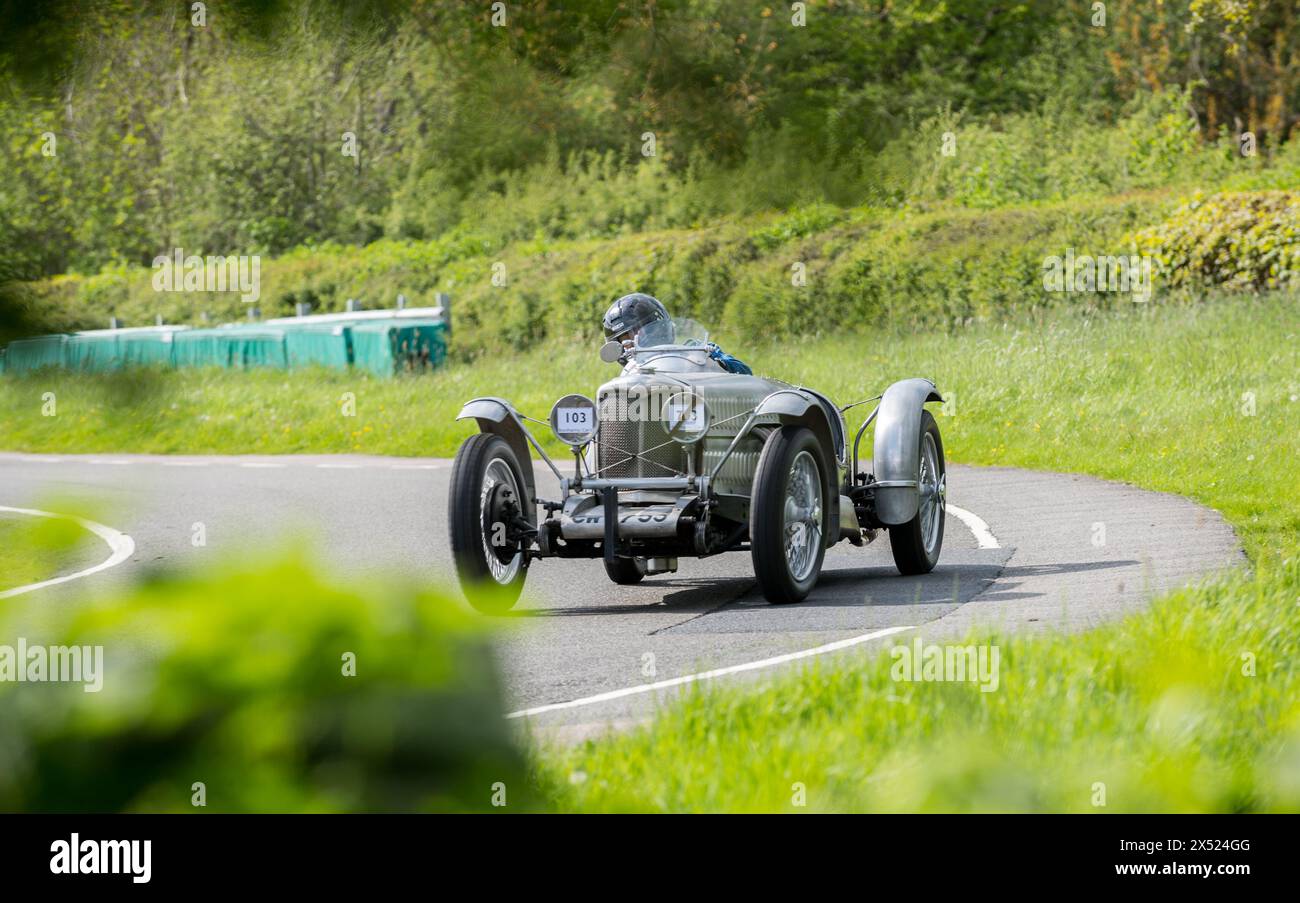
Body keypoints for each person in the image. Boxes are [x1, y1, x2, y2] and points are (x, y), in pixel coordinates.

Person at [601, 292, 752, 374]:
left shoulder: (696, 349)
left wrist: (718, 363)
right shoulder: (630, 375)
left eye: (641, 333)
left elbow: (745, 372)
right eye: (625, 339)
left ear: (660, 328)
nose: (633, 343)